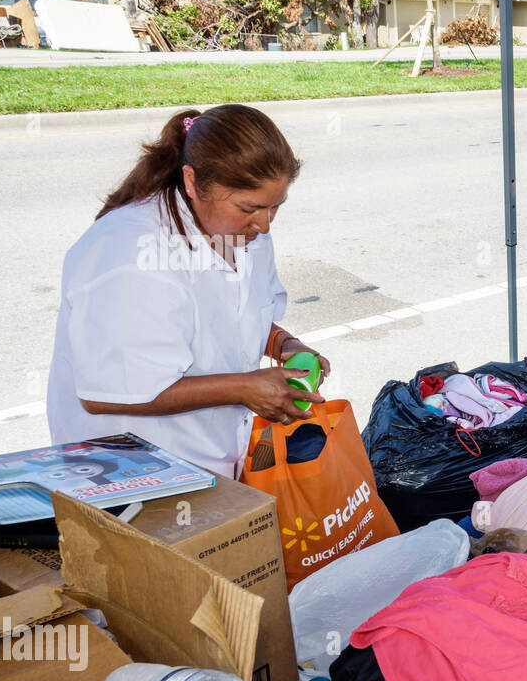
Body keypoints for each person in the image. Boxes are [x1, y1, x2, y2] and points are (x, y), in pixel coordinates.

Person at [47, 104, 330, 480]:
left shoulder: (245, 234)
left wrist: (284, 345)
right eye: (250, 207)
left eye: (275, 207)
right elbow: (104, 393)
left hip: (209, 462)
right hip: (126, 478)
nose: (263, 224)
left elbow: (236, 316)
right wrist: (245, 388)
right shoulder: (130, 254)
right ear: (193, 182)